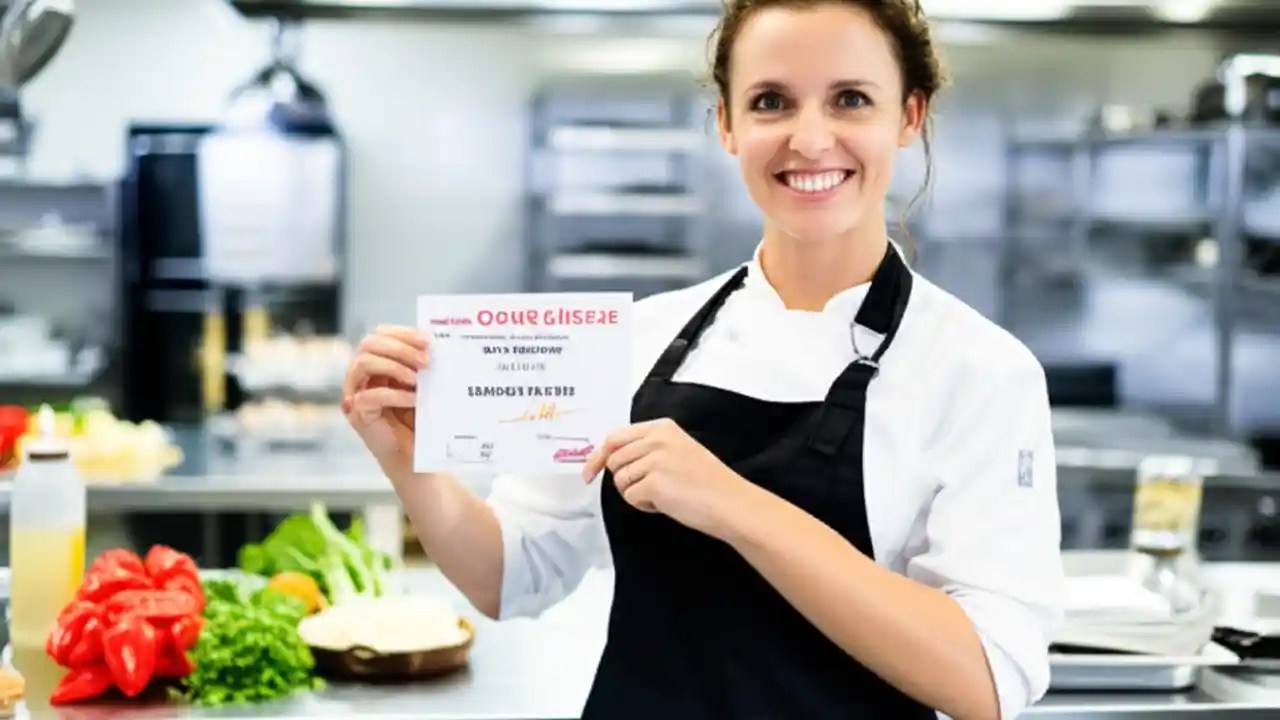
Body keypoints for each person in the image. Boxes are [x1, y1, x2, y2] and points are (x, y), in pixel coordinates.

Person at [342, 1, 1065, 718]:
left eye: (850, 99)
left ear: (908, 116)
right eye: (770, 102)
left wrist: (732, 504)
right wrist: (412, 463)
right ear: (726, 123)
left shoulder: (980, 372)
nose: (810, 139)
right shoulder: (635, 339)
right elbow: (511, 574)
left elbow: (986, 679)